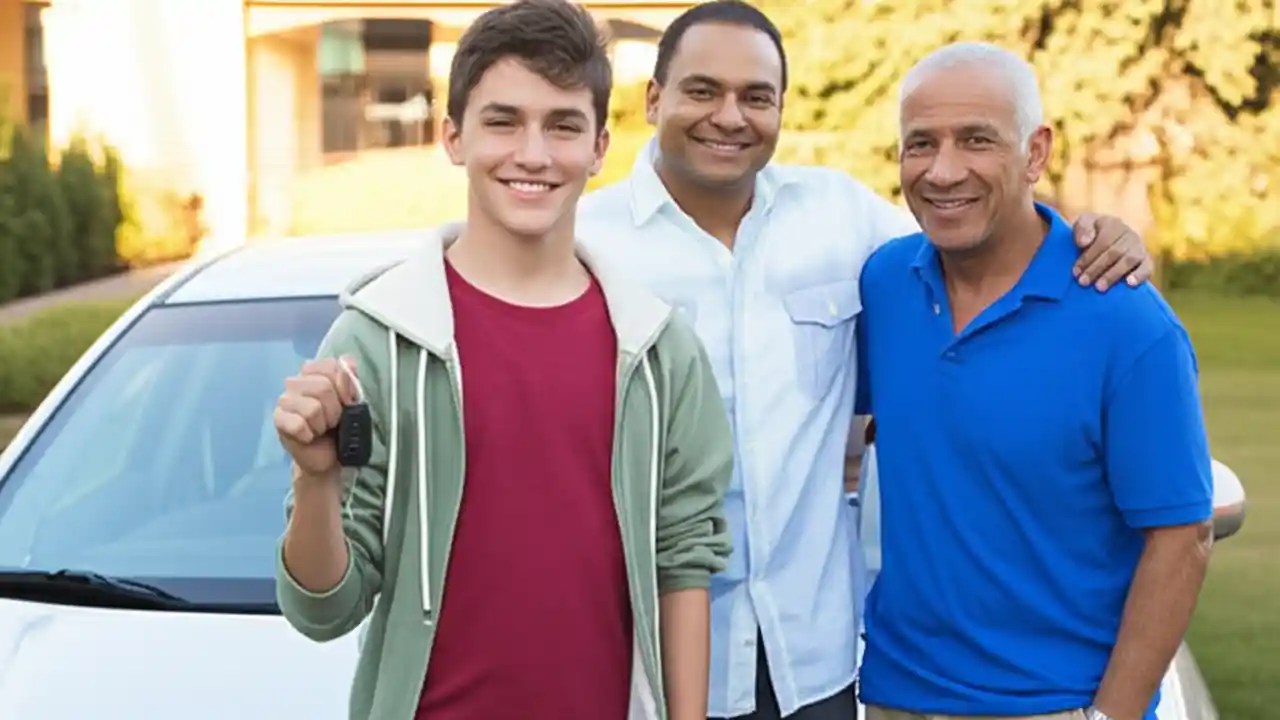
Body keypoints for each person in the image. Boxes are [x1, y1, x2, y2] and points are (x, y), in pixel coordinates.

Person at [577, 2, 1158, 718]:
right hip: (645, 671)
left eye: (756, 97)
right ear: (655, 98)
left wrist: (1093, 235)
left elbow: (984, 226)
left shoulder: (842, 219)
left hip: (815, 668)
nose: (730, 116)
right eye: (703, 90)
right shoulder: (583, 244)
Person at [272, 2, 734, 719]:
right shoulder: (375, 343)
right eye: (503, 121)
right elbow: (324, 611)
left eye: (563, 125)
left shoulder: (658, 351)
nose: (533, 154)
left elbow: (684, 565)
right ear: (453, 137)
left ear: (601, 146)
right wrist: (317, 481)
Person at [855, 41, 1214, 720]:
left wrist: (1108, 717)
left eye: (976, 141)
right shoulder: (885, 284)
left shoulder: (1129, 325)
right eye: (920, 143)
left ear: (1036, 153)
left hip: (1055, 705)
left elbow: (1181, 539)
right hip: (894, 695)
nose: (943, 170)